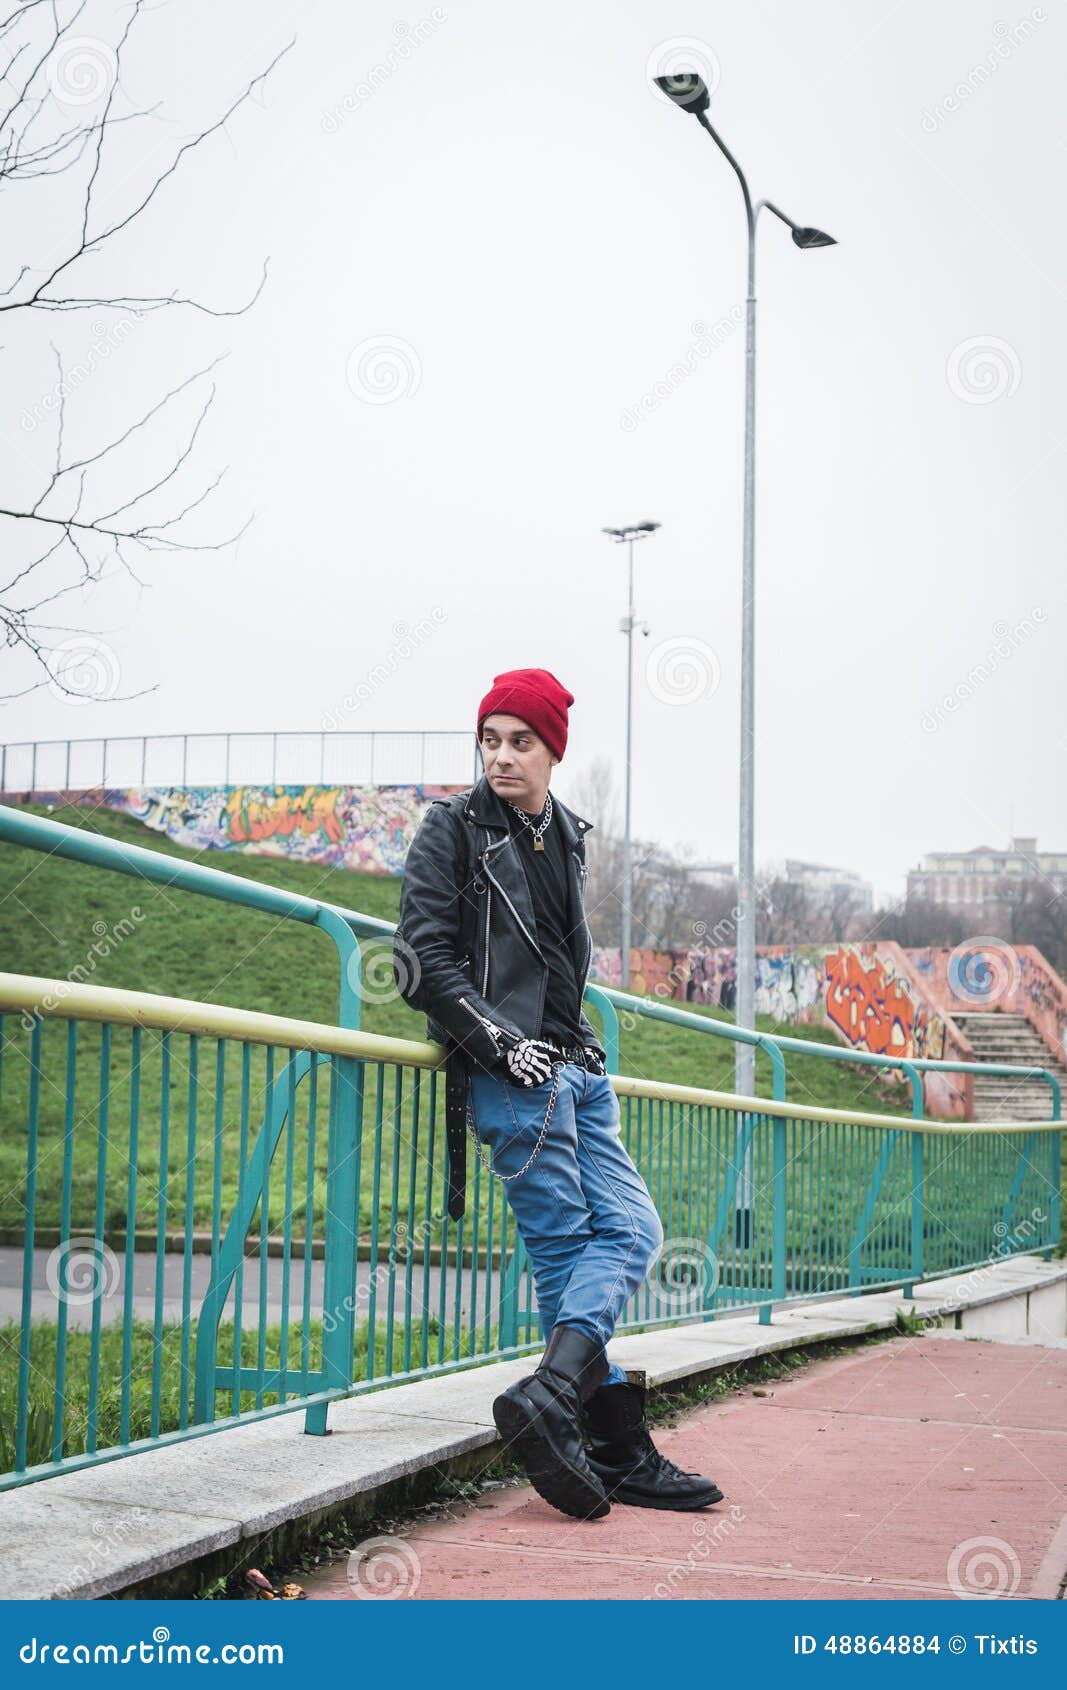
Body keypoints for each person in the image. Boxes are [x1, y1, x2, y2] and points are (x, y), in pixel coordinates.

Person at [393, 665, 722, 1521]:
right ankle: (613, 1446)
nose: (501, 757)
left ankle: (554, 1399)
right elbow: (420, 959)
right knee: (570, 1252)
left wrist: (577, 1042)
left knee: (633, 1228)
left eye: (520, 742)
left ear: (551, 752)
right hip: (512, 1073)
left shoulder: (565, 833)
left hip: (575, 1066)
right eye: (490, 739)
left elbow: (557, 960)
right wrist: (498, 1041)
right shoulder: (452, 830)